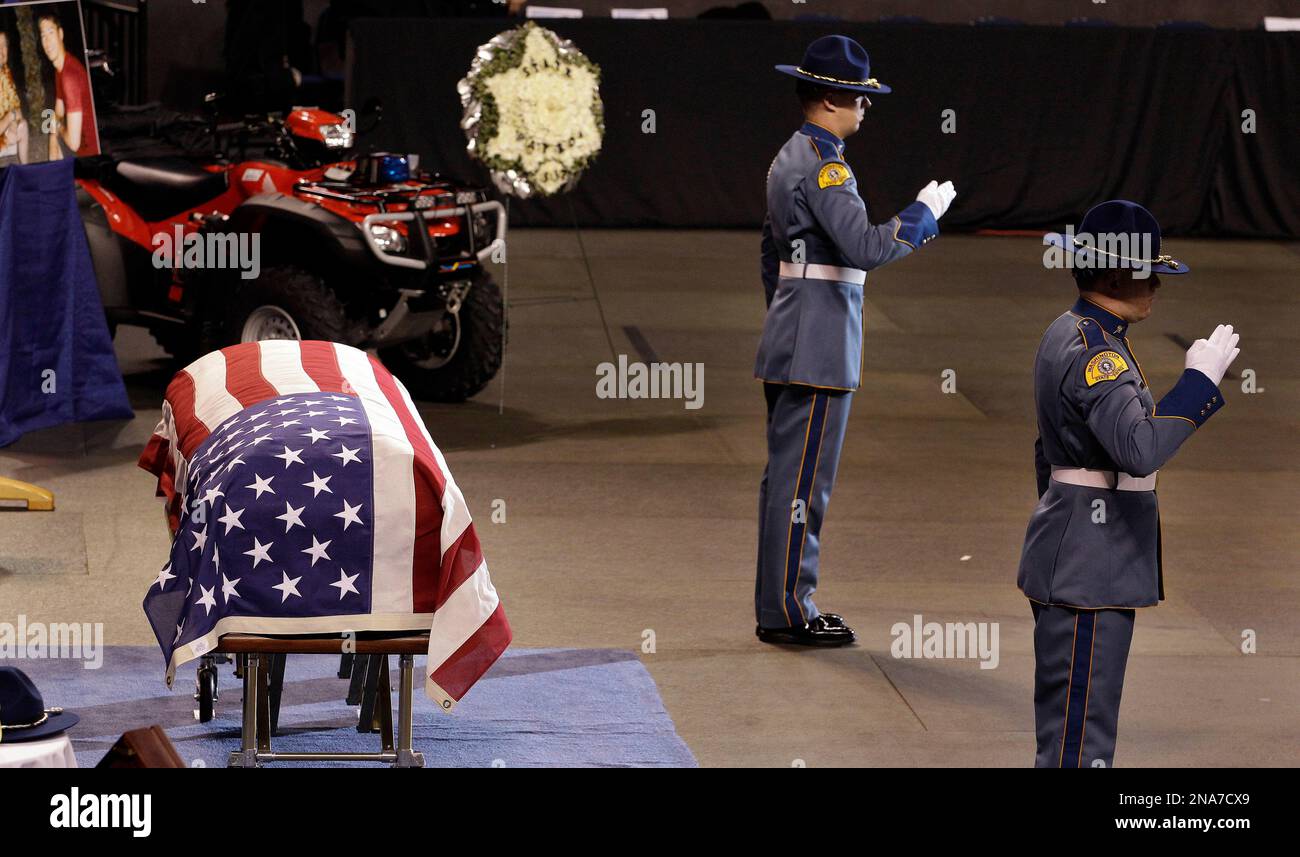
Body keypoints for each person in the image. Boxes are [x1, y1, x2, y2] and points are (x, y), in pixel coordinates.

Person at [1020, 199, 1240, 766]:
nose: (1156, 288)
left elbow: (1048, 453)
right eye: (1150, 274)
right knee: (1082, 734)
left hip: (1075, 553)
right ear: (1119, 273)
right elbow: (1140, 451)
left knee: (1074, 726)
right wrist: (1197, 383)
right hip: (1092, 568)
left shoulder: (1067, 331)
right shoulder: (1099, 353)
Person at [754, 35, 956, 646]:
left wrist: (787, 320)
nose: (866, 109)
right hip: (818, 348)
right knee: (803, 487)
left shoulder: (790, 154)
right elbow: (866, 247)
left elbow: (772, 257)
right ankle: (789, 611)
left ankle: (783, 603)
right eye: (862, 98)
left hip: (794, 336)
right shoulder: (826, 162)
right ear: (835, 98)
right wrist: (922, 216)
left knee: (786, 483)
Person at [38, 10, 98, 159]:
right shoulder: (60, 68)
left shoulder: (69, 76)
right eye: (43, 36)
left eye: (50, 33)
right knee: (52, 132)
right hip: (79, 147)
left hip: (89, 155)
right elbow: (58, 110)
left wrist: (57, 126)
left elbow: (73, 143)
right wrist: (52, 135)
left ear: (61, 34)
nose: (47, 41)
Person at [0, 29, 29, 164]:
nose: (1, 49)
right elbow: (12, 114)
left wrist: (13, 124)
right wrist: (9, 119)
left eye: (4, 45)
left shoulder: (6, 72)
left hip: (4, 135)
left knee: (22, 125)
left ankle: (26, 169)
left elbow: (17, 109)